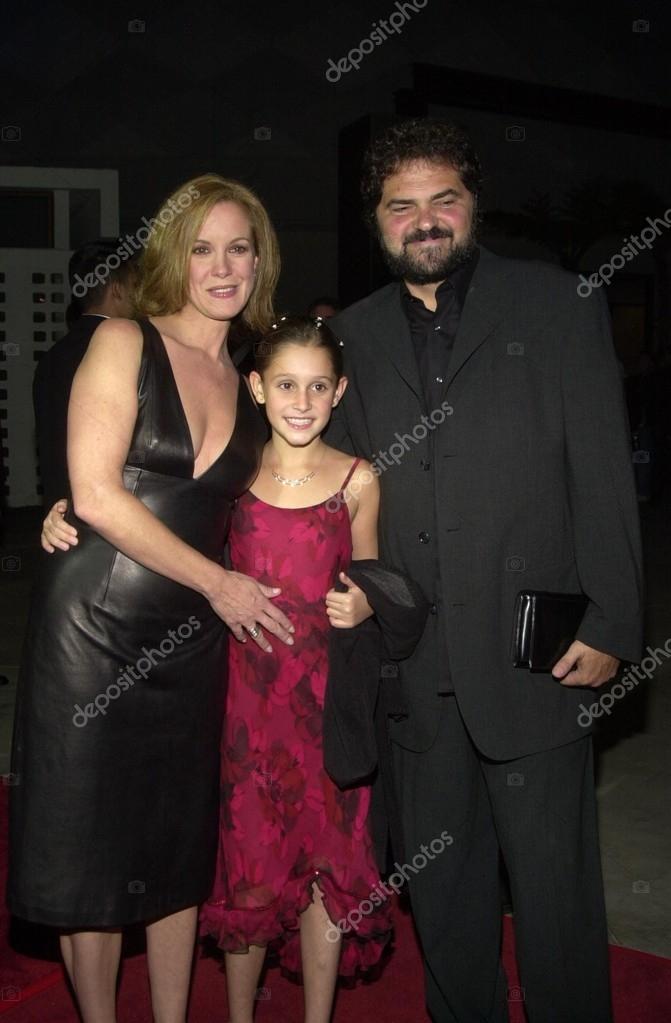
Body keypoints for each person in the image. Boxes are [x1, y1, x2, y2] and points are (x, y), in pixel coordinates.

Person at [326, 119, 644, 1023]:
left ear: (473, 206)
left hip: (536, 654)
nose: (424, 220)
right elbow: (314, 475)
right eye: (402, 206)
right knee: (446, 897)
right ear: (375, 222)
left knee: (554, 895)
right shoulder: (349, 335)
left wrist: (612, 620)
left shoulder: (555, 304)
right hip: (411, 667)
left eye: (443, 200)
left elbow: (602, 470)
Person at [43, 316, 397, 1023]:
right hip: (239, 701)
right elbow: (144, 508)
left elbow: (370, 576)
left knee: (329, 859)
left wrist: (367, 604)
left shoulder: (360, 481)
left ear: (340, 392)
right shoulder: (235, 479)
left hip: (324, 704)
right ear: (257, 388)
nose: (301, 401)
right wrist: (66, 509)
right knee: (251, 865)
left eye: (318, 386)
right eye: (286, 384)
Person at [7, 173, 294, 1023]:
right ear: (173, 255)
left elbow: (279, 490)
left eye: (238, 247)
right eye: (201, 246)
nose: (220, 265)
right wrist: (219, 583)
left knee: (178, 841)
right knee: (85, 842)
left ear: (258, 260)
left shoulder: (251, 376)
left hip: (194, 639)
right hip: (91, 628)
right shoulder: (122, 340)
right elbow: (94, 493)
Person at [33, 238, 138, 509]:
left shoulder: (52, 357)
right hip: (111, 514)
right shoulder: (126, 353)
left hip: (60, 513)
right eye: (135, 286)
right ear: (117, 290)